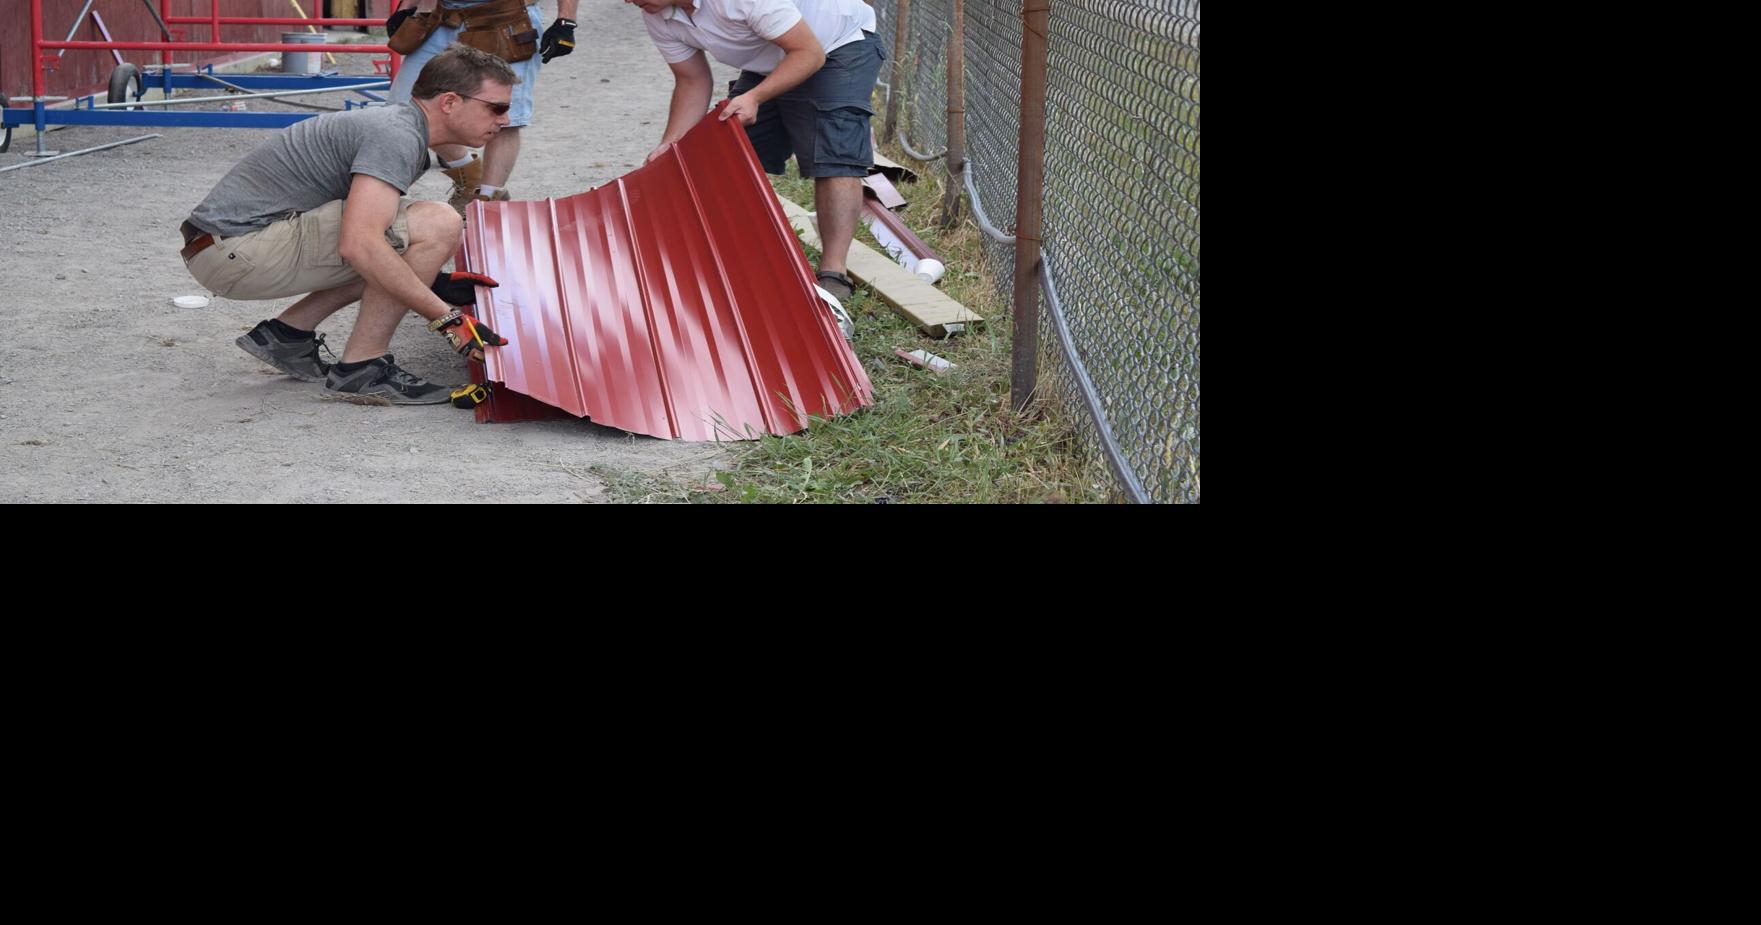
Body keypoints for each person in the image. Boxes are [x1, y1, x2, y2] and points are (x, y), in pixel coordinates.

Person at [179, 45, 514, 405]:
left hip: (224, 248)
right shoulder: (396, 136)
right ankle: (362, 367)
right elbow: (360, 245)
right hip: (237, 251)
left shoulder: (399, 127)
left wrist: (433, 281)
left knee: (390, 243)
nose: (505, 120)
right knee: (438, 223)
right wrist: (447, 320)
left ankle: (288, 334)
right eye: (496, 108)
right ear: (449, 102)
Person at [630, 0, 885, 301]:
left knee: (832, 152)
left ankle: (833, 273)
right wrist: (670, 145)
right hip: (775, 56)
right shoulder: (658, 15)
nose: (627, 1)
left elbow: (809, 53)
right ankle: (735, 258)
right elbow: (692, 80)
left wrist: (756, 97)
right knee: (727, 148)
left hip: (837, 44)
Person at [386, 0, 579, 214]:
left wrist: (566, 20)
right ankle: (468, 174)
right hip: (441, 17)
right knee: (407, 109)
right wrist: (406, 7)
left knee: (503, 116)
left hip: (506, 18)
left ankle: (488, 202)